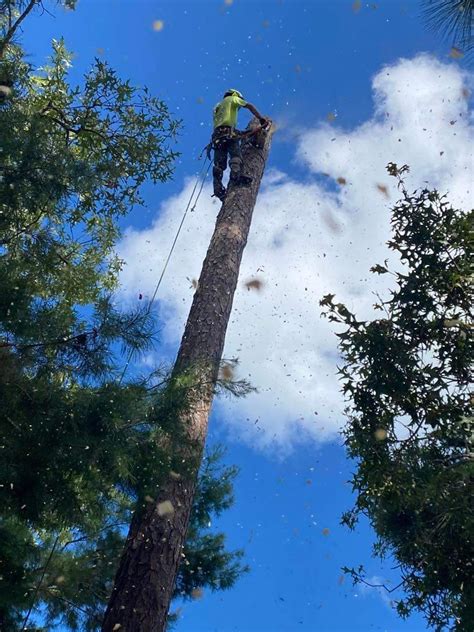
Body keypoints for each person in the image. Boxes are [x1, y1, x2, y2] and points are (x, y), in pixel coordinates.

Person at [211, 89, 268, 202]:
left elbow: (222, 123)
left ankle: (217, 189)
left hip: (217, 135)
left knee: (219, 164)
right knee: (235, 155)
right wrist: (261, 119)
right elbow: (250, 106)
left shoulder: (218, 106)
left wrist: (244, 133)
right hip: (228, 132)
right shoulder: (233, 99)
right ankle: (236, 175)